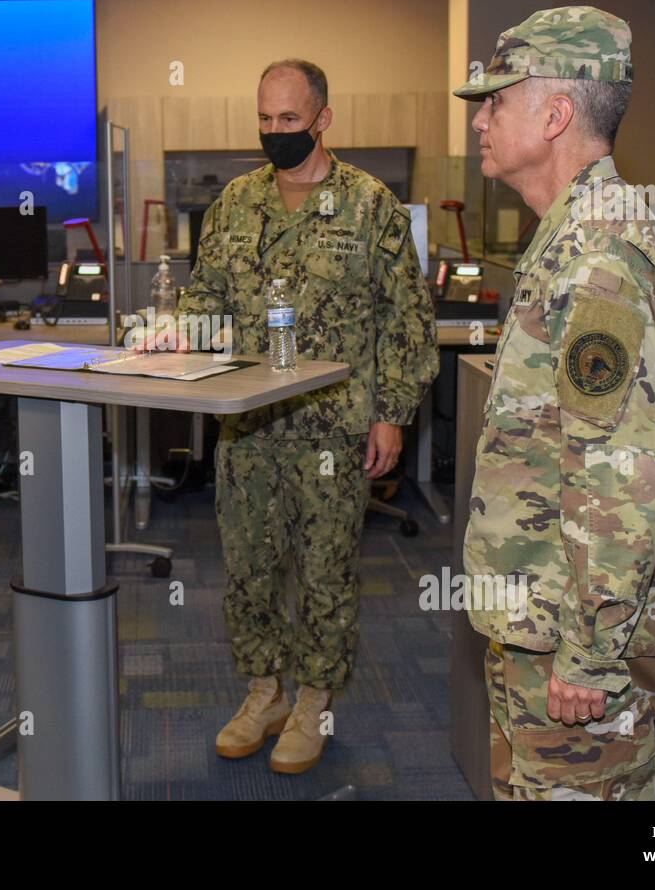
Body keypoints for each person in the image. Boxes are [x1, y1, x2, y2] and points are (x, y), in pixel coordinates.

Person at [454, 6, 655, 801]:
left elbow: (621, 477)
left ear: (556, 114)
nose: (480, 120)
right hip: (542, 619)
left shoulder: (598, 254)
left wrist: (590, 655)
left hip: (579, 645)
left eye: (496, 100)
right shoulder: (573, 234)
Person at [178, 58, 438, 774]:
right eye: (263, 119)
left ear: (323, 118)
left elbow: (407, 320)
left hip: (334, 425)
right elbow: (204, 299)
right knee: (249, 571)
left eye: (288, 120)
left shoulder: (368, 203)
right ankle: (263, 693)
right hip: (249, 428)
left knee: (324, 574)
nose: (273, 132)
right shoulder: (234, 201)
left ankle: (314, 703)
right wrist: (177, 340)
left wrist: (392, 415)